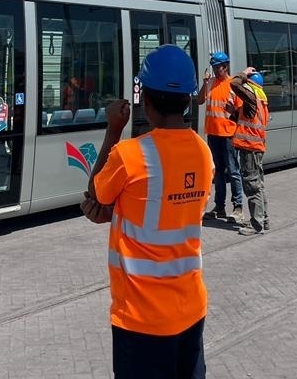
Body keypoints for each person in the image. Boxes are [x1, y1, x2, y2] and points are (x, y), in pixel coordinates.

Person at [80, 44, 213, 379]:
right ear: (187, 99)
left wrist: (113, 129)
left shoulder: (130, 154)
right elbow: (168, 206)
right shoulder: (202, 152)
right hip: (191, 308)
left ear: (146, 100)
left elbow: (96, 193)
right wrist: (118, 208)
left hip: (141, 317)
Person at [195, 51, 244, 222]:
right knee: (218, 174)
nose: (216, 71)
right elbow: (200, 101)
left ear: (226, 67)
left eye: (218, 68)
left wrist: (233, 113)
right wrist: (204, 84)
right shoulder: (210, 84)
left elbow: (241, 112)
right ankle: (220, 207)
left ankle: (238, 207)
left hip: (228, 135)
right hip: (213, 134)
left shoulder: (233, 86)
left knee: (233, 171)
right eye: (214, 67)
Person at [231, 70, 269, 236]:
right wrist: (233, 113)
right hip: (256, 146)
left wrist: (243, 74)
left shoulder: (252, 96)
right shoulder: (261, 99)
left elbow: (234, 84)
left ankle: (256, 224)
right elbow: (248, 120)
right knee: (258, 185)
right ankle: (263, 219)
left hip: (250, 147)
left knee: (252, 185)